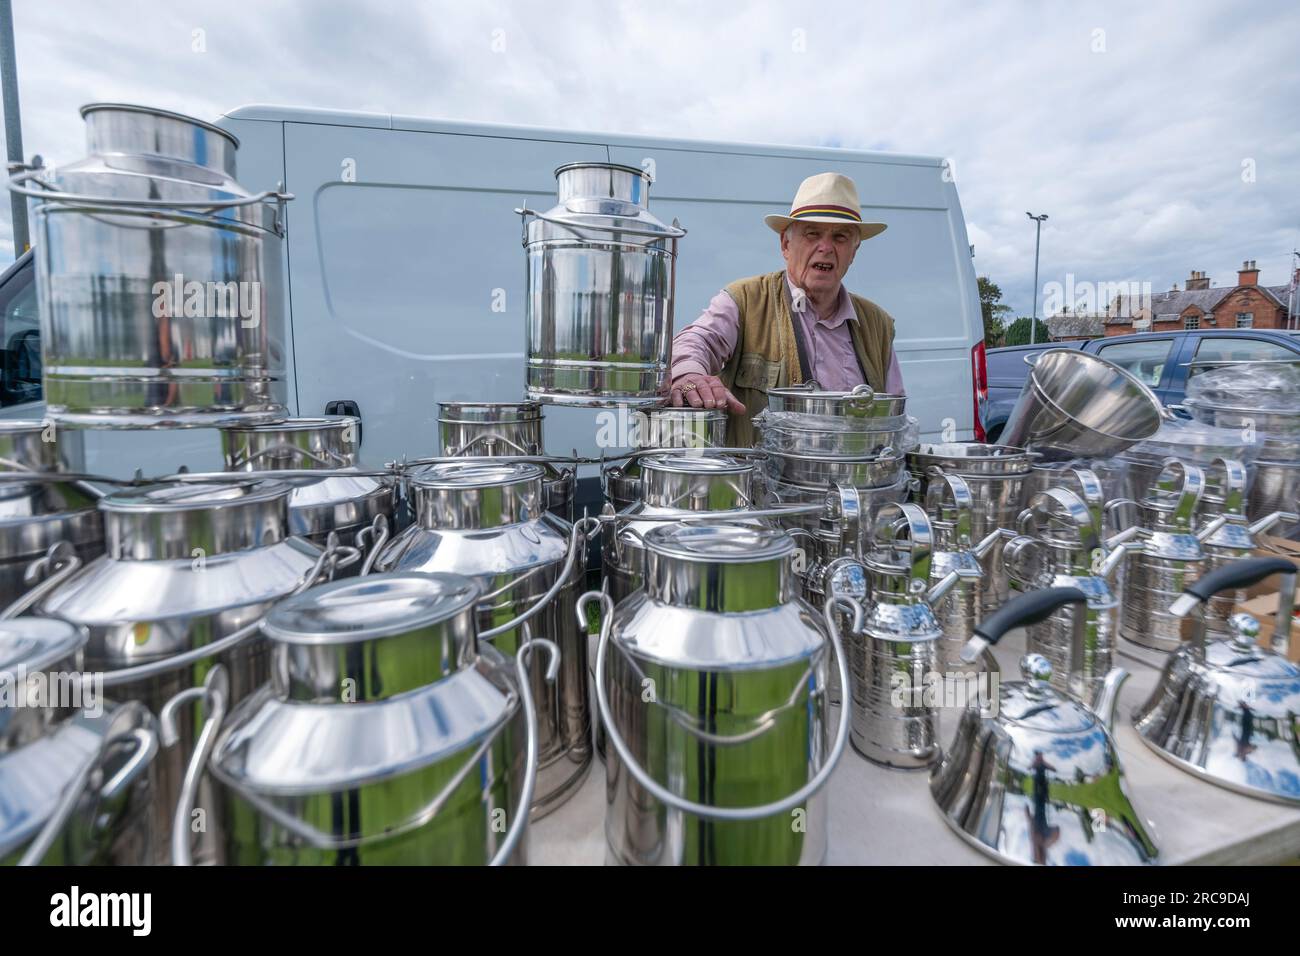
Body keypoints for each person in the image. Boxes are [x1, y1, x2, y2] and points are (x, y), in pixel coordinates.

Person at [667, 171, 905, 446]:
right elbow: (697, 340)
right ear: (786, 244)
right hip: (761, 489)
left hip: (851, 486)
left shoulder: (878, 325)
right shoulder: (745, 300)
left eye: (840, 237)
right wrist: (689, 374)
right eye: (812, 234)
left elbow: (894, 422)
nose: (825, 248)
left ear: (854, 250)